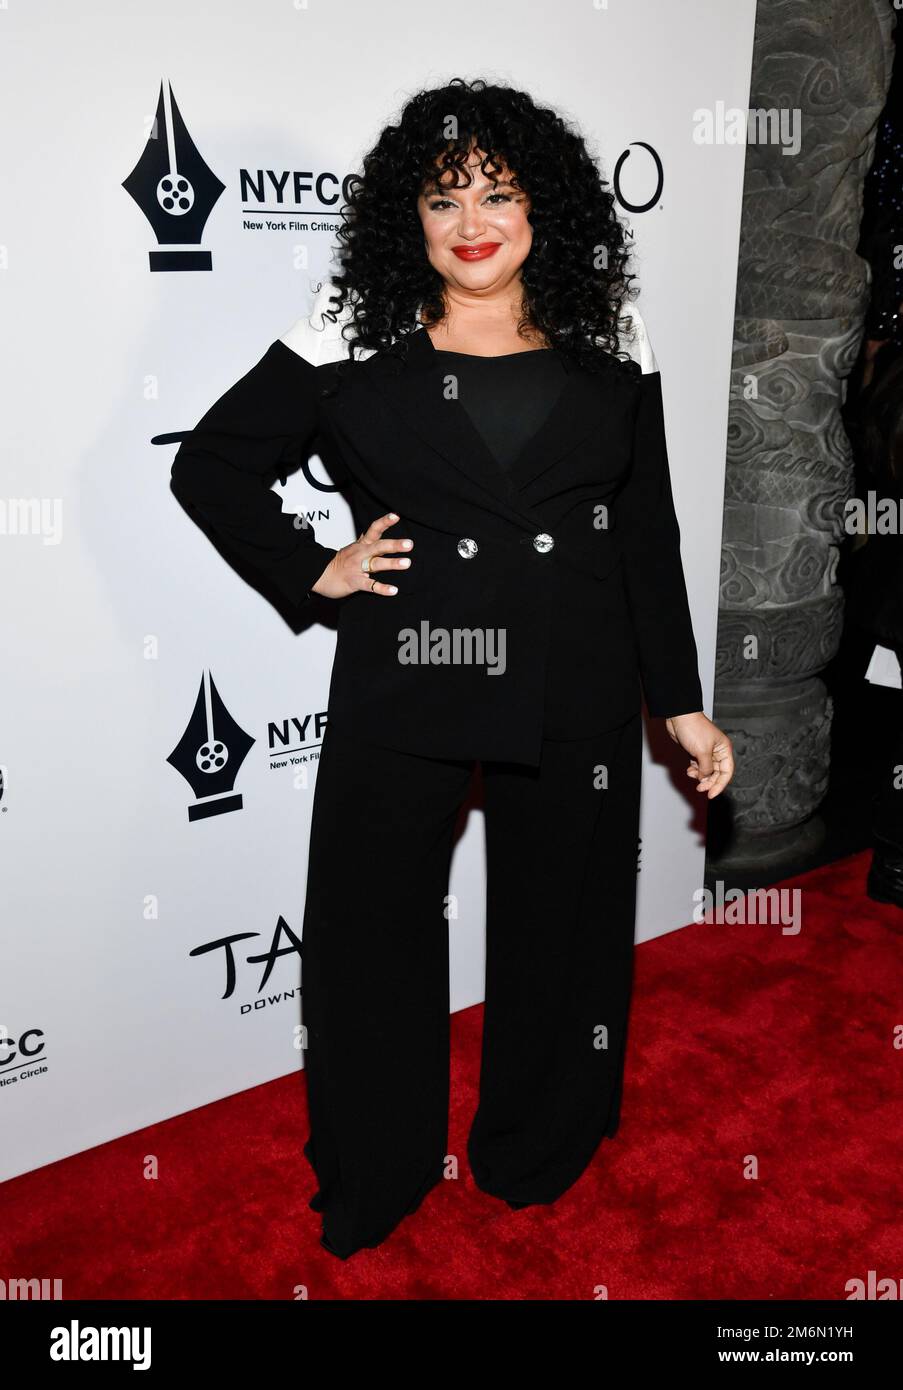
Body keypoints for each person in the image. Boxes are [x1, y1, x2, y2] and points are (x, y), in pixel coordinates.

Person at [170, 77, 735, 1260]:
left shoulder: (609, 333)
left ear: (545, 207)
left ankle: (539, 1141)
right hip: (413, 666)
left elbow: (646, 528)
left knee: (564, 924)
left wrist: (678, 703)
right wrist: (312, 567)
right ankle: (377, 1168)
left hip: (576, 672)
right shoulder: (352, 327)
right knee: (371, 928)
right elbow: (212, 466)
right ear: (406, 219)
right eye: (442, 198)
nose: (471, 220)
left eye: (497, 192)